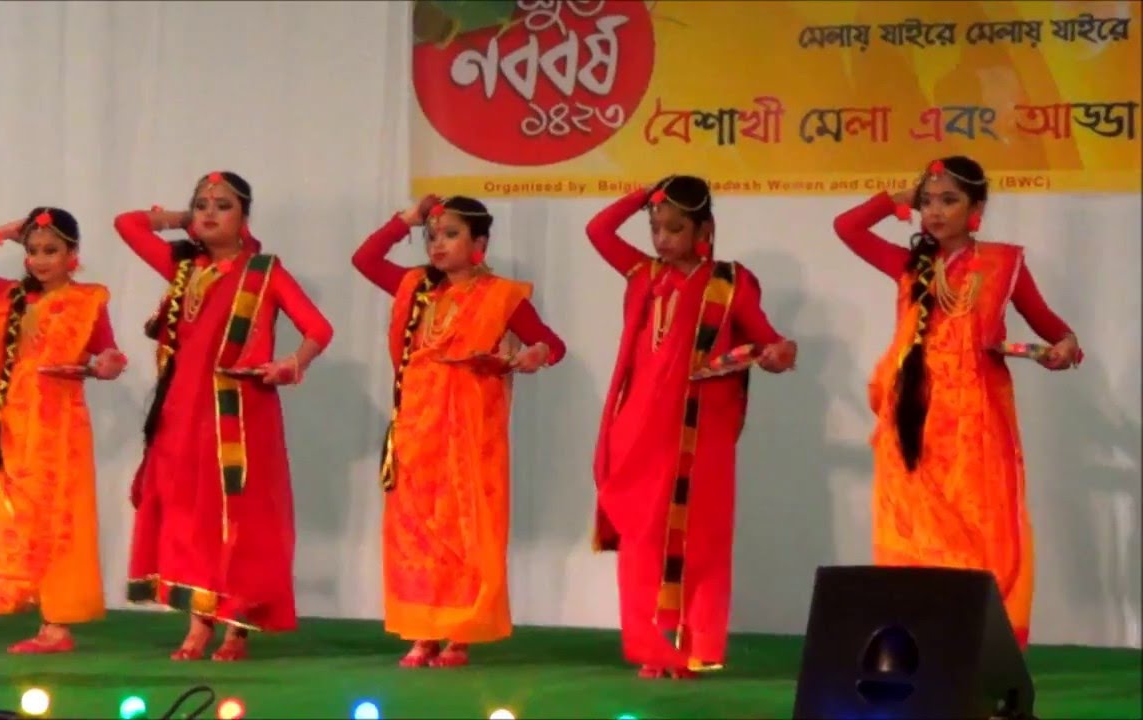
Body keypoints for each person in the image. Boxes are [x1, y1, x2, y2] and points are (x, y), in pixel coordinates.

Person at [832, 155, 1083, 649]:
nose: (935, 211)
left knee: (979, 529)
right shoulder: (909, 266)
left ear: (977, 209)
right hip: (913, 422)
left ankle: (978, 643)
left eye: (949, 200)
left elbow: (1049, 325)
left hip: (976, 424)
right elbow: (847, 227)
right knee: (911, 531)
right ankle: (919, 640)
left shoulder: (1003, 263)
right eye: (928, 201)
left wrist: (1066, 347)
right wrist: (895, 200)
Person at [117, 171, 334, 661]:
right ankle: (198, 623)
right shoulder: (183, 270)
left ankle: (237, 627)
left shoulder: (263, 271)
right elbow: (128, 225)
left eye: (223, 205)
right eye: (202, 205)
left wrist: (291, 363)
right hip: (181, 413)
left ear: (245, 218)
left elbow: (319, 328)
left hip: (239, 411)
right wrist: (181, 220)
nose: (211, 213)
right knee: (188, 515)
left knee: (236, 518)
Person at [587, 176, 798, 679]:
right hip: (638, 429)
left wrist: (777, 354)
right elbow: (598, 230)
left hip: (700, 432)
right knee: (642, 539)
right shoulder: (643, 274)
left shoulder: (729, 283)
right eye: (656, 228)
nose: (661, 239)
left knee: (697, 537)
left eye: (674, 228)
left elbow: (768, 343)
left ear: (705, 228)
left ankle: (694, 645)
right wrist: (643, 195)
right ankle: (653, 647)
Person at [352, 194, 567, 668]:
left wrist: (532, 356)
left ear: (479, 243)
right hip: (416, 430)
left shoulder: (501, 295)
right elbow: (365, 259)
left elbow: (551, 343)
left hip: (471, 433)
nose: (437, 245)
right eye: (431, 236)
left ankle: (460, 635)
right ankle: (423, 632)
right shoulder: (414, 288)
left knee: (465, 531)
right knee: (416, 533)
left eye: (450, 235)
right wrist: (404, 219)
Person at [0, 207, 127, 653]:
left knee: (60, 519)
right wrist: (3, 231)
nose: (41, 260)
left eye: (51, 251)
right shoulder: (8, 296)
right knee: (16, 520)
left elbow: (109, 354)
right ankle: (37, 613)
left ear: (73, 255)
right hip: (11, 428)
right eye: (33, 251)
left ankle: (58, 626)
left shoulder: (88, 301)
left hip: (61, 429)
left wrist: (106, 366)